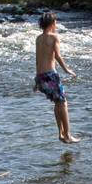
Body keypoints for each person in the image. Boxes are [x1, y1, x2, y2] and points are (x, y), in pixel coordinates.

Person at [34, 11, 79, 144]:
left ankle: (60, 134)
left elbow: (37, 60)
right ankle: (68, 135)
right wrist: (66, 69)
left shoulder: (38, 38)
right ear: (53, 23)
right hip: (50, 75)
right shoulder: (54, 37)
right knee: (63, 103)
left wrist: (37, 82)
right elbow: (58, 56)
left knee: (57, 102)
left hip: (40, 77)